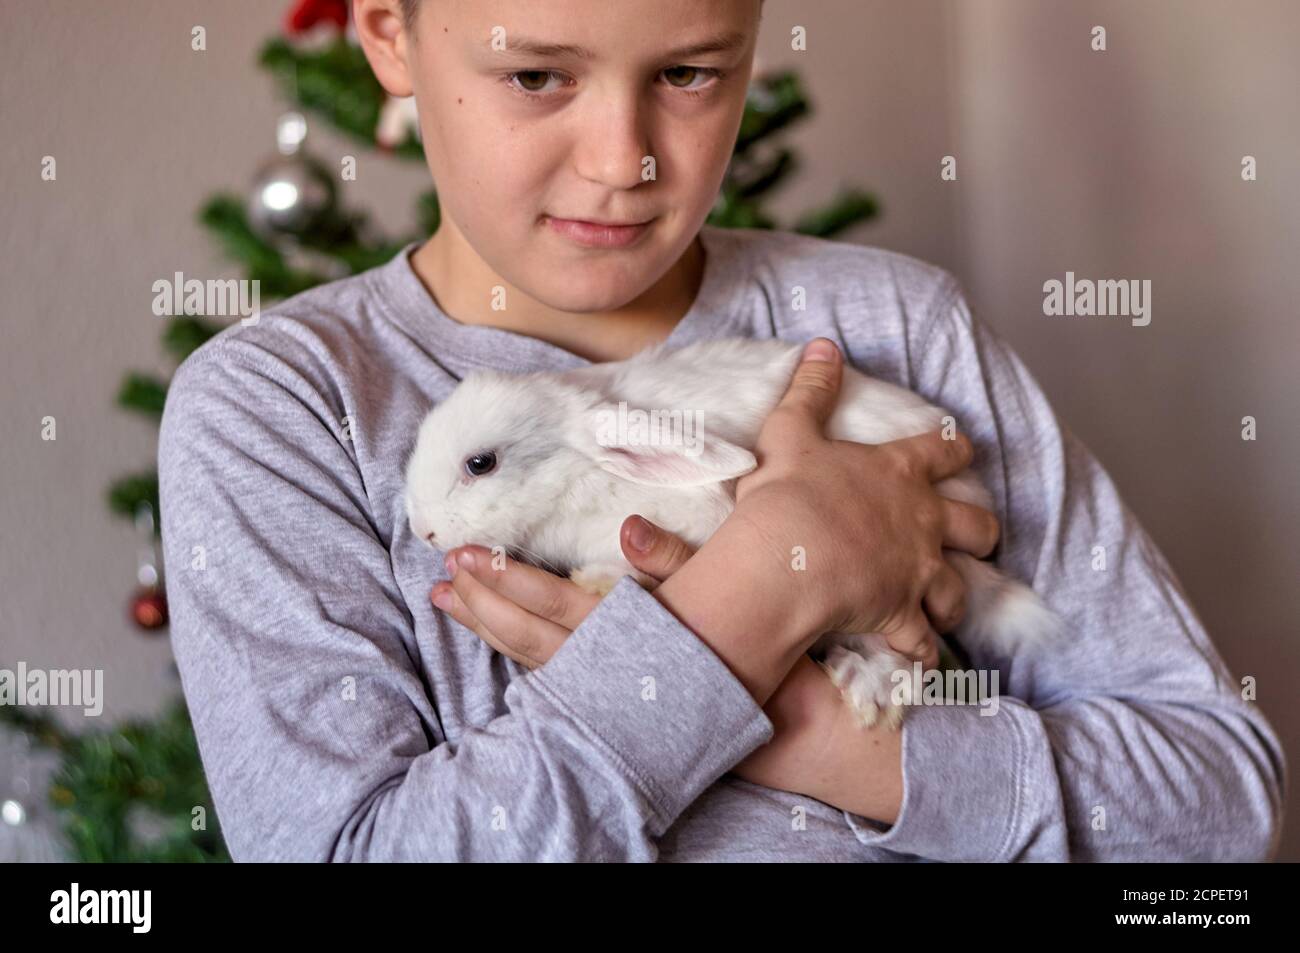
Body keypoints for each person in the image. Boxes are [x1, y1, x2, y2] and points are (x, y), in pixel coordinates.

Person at [157, 0, 1284, 861]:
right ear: (389, 36)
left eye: (691, 71)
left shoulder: (896, 324)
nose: (622, 163)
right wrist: (762, 594)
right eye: (536, 73)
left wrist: (821, 733)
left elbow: (1217, 808)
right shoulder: (280, 409)